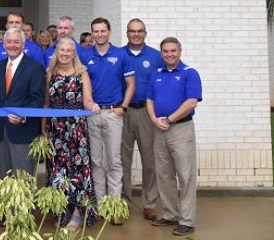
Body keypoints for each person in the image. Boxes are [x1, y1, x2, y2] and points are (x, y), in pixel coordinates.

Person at [77, 18, 134, 225]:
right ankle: (100, 206)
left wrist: (123, 108)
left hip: (113, 113)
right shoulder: (85, 55)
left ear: (109, 32)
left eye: (103, 31)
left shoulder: (121, 55)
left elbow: (131, 84)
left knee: (114, 161)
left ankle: (115, 207)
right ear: (91, 34)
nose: (99, 34)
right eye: (96, 31)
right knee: (96, 161)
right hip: (92, 113)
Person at [147, 37, 202, 237]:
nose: (169, 54)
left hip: (180, 129)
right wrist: (154, 119)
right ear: (161, 53)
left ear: (180, 51)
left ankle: (186, 221)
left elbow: (192, 102)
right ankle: (170, 214)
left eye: (173, 51)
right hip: (159, 129)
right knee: (163, 175)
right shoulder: (156, 74)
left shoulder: (189, 73)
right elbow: (149, 99)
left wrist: (169, 119)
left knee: (185, 176)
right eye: (165, 51)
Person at [44, 39, 98, 230]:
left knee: (78, 169)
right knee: (58, 170)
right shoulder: (50, 73)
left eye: (69, 50)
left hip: (76, 129)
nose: (65, 53)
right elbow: (46, 104)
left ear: (74, 53)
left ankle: (77, 212)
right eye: (62, 50)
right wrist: (43, 129)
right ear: (57, 52)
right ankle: (60, 209)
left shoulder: (81, 73)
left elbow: (88, 100)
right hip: (55, 129)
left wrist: (93, 106)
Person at [0, 28, 46, 180]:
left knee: (23, 179)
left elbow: (37, 100)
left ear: (23, 44)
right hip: (1, 131)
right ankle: (4, 205)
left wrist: (22, 116)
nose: (12, 45)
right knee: (2, 178)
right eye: (8, 42)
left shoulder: (35, 67)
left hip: (23, 131)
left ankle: (23, 206)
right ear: (3, 44)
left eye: (16, 42)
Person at [120, 19, 163, 220]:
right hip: (123, 112)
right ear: (127, 33)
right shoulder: (119, 54)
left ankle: (149, 203)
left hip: (147, 112)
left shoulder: (156, 56)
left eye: (140, 31)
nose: (136, 34)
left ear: (145, 33)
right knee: (121, 160)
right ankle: (122, 202)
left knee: (149, 159)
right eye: (132, 31)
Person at [0, 11, 46, 87]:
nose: (14, 25)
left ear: (23, 25)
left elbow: (39, 75)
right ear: (6, 25)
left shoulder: (35, 48)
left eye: (17, 22)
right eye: (11, 22)